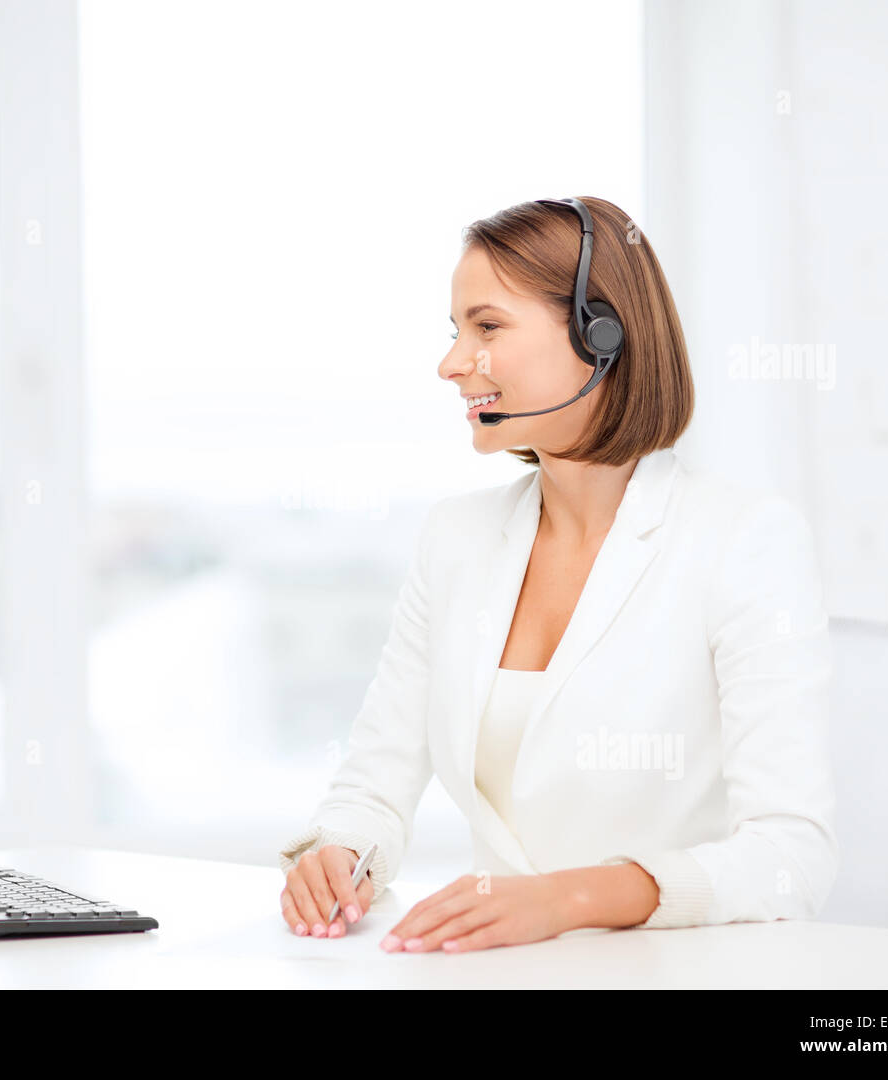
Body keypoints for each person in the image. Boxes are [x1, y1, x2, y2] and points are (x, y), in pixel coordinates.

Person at [277, 196, 837, 953]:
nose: (451, 364)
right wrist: (341, 854)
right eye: (455, 333)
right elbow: (374, 787)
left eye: (488, 327)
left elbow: (790, 858)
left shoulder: (741, 541)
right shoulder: (457, 539)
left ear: (598, 336)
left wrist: (569, 899)